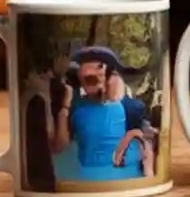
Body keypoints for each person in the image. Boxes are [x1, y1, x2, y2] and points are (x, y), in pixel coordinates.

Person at [50, 46, 144, 181]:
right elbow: (60, 146)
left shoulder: (129, 108)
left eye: (100, 70)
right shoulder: (76, 109)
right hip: (87, 178)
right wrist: (65, 107)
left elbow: (143, 139)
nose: (98, 81)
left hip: (123, 176)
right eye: (89, 79)